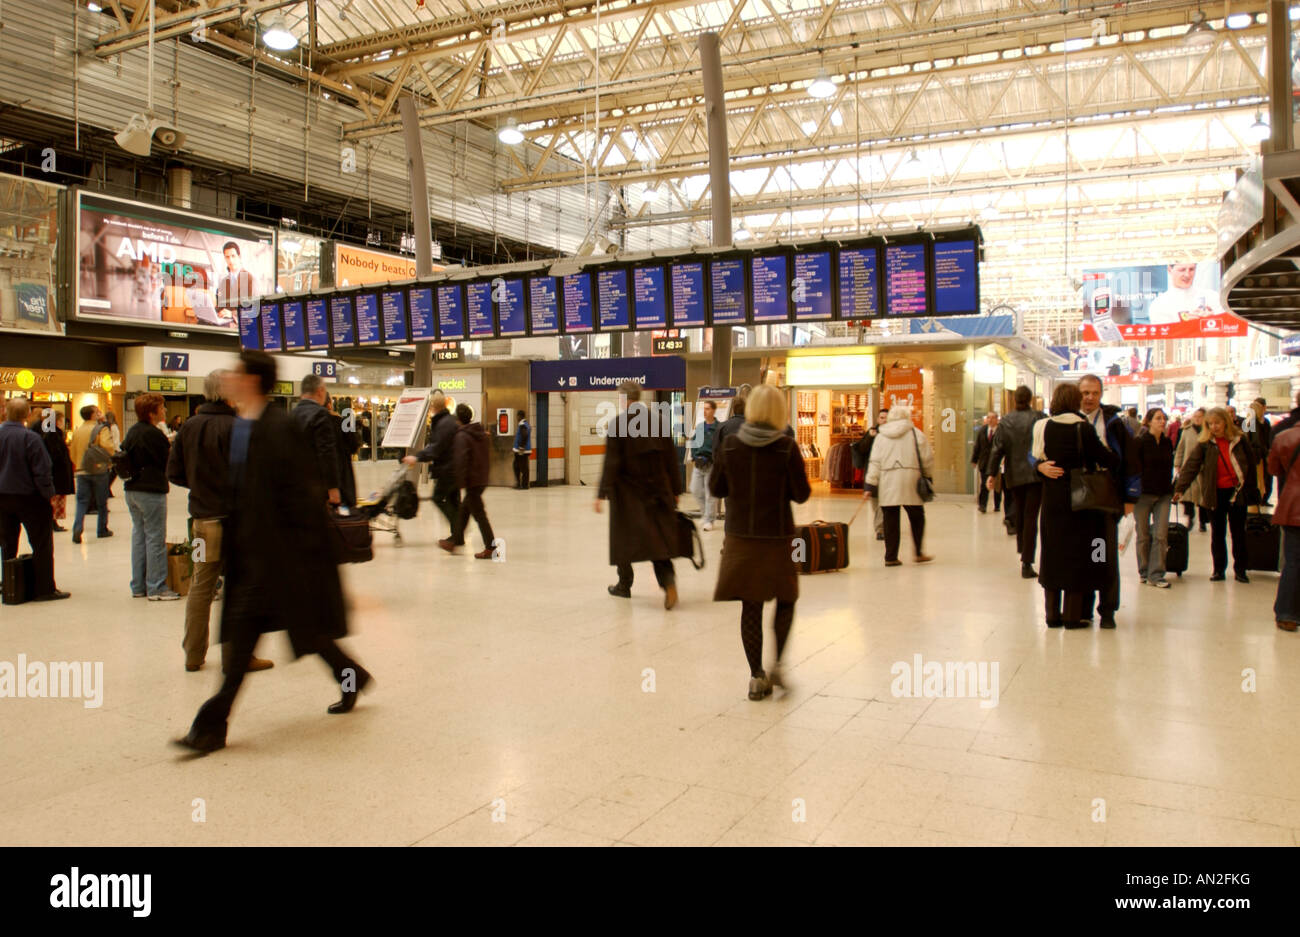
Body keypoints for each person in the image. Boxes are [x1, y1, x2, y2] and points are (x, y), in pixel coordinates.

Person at [175, 351, 372, 755]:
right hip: (254, 559)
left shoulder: (278, 429)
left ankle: (211, 727)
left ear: (251, 380)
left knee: (298, 636)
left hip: (281, 561)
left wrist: (307, 562)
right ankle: (351, 676)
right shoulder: (244, 425)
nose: (229, 377)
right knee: (272, 641)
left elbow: (303, 499)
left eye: (236, 372)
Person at [167, 370, 274, 673]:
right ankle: (238, 655)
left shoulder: (189, 426)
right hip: (233, 522)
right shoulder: (237, 427)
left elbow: (173, 473)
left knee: (201, 584)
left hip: (201, 521)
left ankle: (193, 654)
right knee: (238, 588)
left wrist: (200, 486)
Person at [709, 384, 810, 701]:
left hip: (740, 538)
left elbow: (716, 488)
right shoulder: (787, 447)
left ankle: (756, 676)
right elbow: (802, 494)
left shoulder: (730, 446)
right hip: (778, 539)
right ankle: (778, 663)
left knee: (750, 605)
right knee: (786, 599)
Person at [1032, 383, 1116, 628]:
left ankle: (1051, 615)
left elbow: (1035, 459)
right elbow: (1106, 458)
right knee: (1077, 556)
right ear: (1074, 401)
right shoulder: (1083, 429)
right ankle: (1071, 616)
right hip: (1079, 501)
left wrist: (1039, 468)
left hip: (1051, 500)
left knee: (1051, 553)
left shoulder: (1042, 426)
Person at [595, 382, 683, 608]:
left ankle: (624, 585)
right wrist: (675, 489)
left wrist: (601, 493)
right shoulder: (660, 422)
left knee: (622, 539)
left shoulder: (618, 424)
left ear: (624, 399)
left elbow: (611, 463)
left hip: (628, 495)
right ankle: (668, 582)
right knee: (657, 541)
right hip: (658, 491)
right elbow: (671, 459)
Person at [1173, 406, 1259, 583]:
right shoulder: (1205, 443)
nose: (1214, 427)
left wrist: (1253, 490)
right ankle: (1219, 569)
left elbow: (1250, 465)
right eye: (1210, 424)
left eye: (1217, 423)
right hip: (1215, 493)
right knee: (1217, 533)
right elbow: (1191, 466)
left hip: (1237, 492)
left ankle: (1241, 569)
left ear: (1225, 422)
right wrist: (1180, 488)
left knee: (1238, 533)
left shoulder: (1239, 439)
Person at [1077, 374, 1132, 629]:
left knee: (1103, 554)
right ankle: (1084, 608)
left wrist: (1131, 496)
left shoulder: (1113, 423)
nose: (1089, 397)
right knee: (1083, 555)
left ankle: (1107, 609)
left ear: (1101, 394)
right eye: (1085, 392)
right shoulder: (1069, 420)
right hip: (1078, 500)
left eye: (1094, 393)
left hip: (1106, 499)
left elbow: (1130, 460)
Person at [0, 397, 67, 601]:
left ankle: (10, 583)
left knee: (7, 542)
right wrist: (48, 494)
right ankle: (44, 588)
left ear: (5, 413)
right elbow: (42, 470)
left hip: (2, 498)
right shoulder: (30, 438)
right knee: (41, 543)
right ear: (27, 415)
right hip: (30, 498)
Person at [120, 393, 179, 601]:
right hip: (151, 490)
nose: (164, 411)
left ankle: (138, 585)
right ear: (152, 412)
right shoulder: (153, 434)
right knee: (155, 538)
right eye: (162, 408)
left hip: (132, 489)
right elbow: (167, 460)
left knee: (139, 536)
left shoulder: (133, 432)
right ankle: (157, 587)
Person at [863, 406, 934, 567]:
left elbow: (874, 461)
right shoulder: (916, 434)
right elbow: (927, 458)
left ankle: (890, 557)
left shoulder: (881, 436)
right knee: (917, 516)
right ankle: (918, 552)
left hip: (888, 480)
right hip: (911, 479)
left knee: (890, 519)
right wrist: (928, 476)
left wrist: (869, 484)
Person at [989, 386, 1047, 578]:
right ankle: (1027, 561)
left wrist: (991, 472)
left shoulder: (1006, 421)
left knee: (1021, 512)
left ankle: (1022, 547)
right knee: (1031, 517)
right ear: (1030, 399)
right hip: (1035, 473)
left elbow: (998, 448)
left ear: (1015, 400)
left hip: (1014, 475)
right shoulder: (1039, 417)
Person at [1127, 407, 1176, 588]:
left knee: (1161, 534)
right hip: (1143, 495)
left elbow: (1169, 467)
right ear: (1148, 422)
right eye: (1158, 418)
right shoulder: (1140, 442)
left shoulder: (1167, 443)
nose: (1162, 421)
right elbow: (1132, 468)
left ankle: (1157, 574)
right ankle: (1144, 570)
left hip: (1163, 494)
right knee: (1143, 534)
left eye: (1164, 418)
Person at [439, 404, 496, 559]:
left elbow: (461, 460)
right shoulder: (481, 433)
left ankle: (491, 547)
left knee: (479, 515)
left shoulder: (461, 436)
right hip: (481, 478)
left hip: (472, 480)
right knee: (464, 511)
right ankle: (455, 541)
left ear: (457, 419)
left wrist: (459, 481)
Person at [403, 391, 459, 537]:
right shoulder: (448, 420)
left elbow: (436, 447)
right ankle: (457, 537)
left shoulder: (443, 423)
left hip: (447, 469)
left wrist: (416, 457)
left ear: (434, 406)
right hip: (453, 467)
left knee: (438, 497)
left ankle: (458, 531)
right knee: (454, 502)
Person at [1267, 419, 1300, 632]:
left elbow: (1274, 469)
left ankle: (1286, 613)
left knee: (1293, 562)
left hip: (1292, 504)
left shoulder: (1283, 436)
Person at [290, 375, 341, 506]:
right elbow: (326, 452)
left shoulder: (292, 414)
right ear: (320, 391)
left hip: (295, 483)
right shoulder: (321, 414)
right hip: (316, 484)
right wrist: (333, 487)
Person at [69, 404, 117, 544]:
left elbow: (73, 452)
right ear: (93, 415)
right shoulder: (101, 429)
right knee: (101, 502)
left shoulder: (77, 431)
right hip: (99, 470)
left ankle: (78, 527)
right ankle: (102, 529)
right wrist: (108, 461)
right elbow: (108, 447)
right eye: (97, 412)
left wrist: (79, 464)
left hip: (81, 470)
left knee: (82, 502)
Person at [852, 409, 889, 541]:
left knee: (884, 503)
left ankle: (881, 529)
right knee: (876, 503)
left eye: (886, 418)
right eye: (882, 417)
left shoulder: (892, 434)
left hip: (888, 473)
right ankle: (881, 527)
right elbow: (862, 449)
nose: (884, 420)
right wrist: (869, 437)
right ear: (878, 419)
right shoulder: (872, 432)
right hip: (873, 472)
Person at [1146, 262, 1223, 325]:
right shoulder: (1159, 304)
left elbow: (1226, 325)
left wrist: (1212, 318)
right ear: (1169, 269)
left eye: (1191, 269)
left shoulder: (1212, 296)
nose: (1187, 275)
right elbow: (1164, 336)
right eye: (1182, 270)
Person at [39, 411, 74, 533]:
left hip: (56, 474)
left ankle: (53, 522)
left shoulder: (51, 434)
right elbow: (56, 455)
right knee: (55, 500)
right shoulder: (53, 435)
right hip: (57, 474)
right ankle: (52, 522)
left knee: (55, 499)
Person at [687, 400, 720, 530]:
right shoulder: (700, 427)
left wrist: (712, 458)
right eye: (704, 409)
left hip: (711, 464)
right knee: (695, 489)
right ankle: (706, 514)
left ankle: (709, 520)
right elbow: (694, 443)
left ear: (713, 410)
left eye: (708, 409)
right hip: (699, 464)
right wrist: (695, 456)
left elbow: (719, 446)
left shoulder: (718, 428)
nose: (705, 411)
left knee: (710, 493)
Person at [1175, 407, 1209, 531]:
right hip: (1188, 468)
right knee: (1187, 497)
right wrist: (1178, 464)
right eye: (1195, 416)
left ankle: (1203, 522)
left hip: (1203, 470)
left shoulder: (1208, 431)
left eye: (1199, 416)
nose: (1197, 419)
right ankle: (1190, 518)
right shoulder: (1186, 431)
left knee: (1203, 498)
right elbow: (1180, 448)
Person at [325, 394, 359, 509]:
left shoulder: (310, 422)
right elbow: (353, 446)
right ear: (329, 405)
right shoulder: (343, 421)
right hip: (342, 477)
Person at [214, 241, 255, 321]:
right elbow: (220, 306)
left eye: (233, 256)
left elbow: (252, 310)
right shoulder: (223, 282)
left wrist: (232, 314)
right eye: (227, 257)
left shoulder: (250, 279)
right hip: (224, 323)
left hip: (240, 327)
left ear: (239, 257)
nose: (230, 260)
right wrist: (213, 311)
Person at [971, 412, 1001, 513]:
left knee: (997, 485)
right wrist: (974, 459)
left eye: (993, 418)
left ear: (997, 419)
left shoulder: (1001, 431)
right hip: (984, 462)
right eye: (988, 418)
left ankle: (997, 505)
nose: (990, 420)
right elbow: (977, 446)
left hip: (997, 462)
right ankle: (982, 505)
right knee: (984, 484)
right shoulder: (982, 431)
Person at [1246, 398, 1273, 507]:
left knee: (1264, 479)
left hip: (1260, 454)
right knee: (1260, 479)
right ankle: (1259, 499)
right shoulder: (1251, 422)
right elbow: (1257, 441)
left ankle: (1262, 499)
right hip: (1257, 456)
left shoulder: (1264, 422)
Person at [512, 410, 531, 490]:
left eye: (517, 416)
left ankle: (523, 485)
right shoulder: (526, 424)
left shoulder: (522, 425)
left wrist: (521, 447)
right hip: (524, 449)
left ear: (520, 416)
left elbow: (524, 435)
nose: (517, 418)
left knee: (521, 467)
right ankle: (521, 484)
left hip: (521, 450)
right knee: (519, 466)